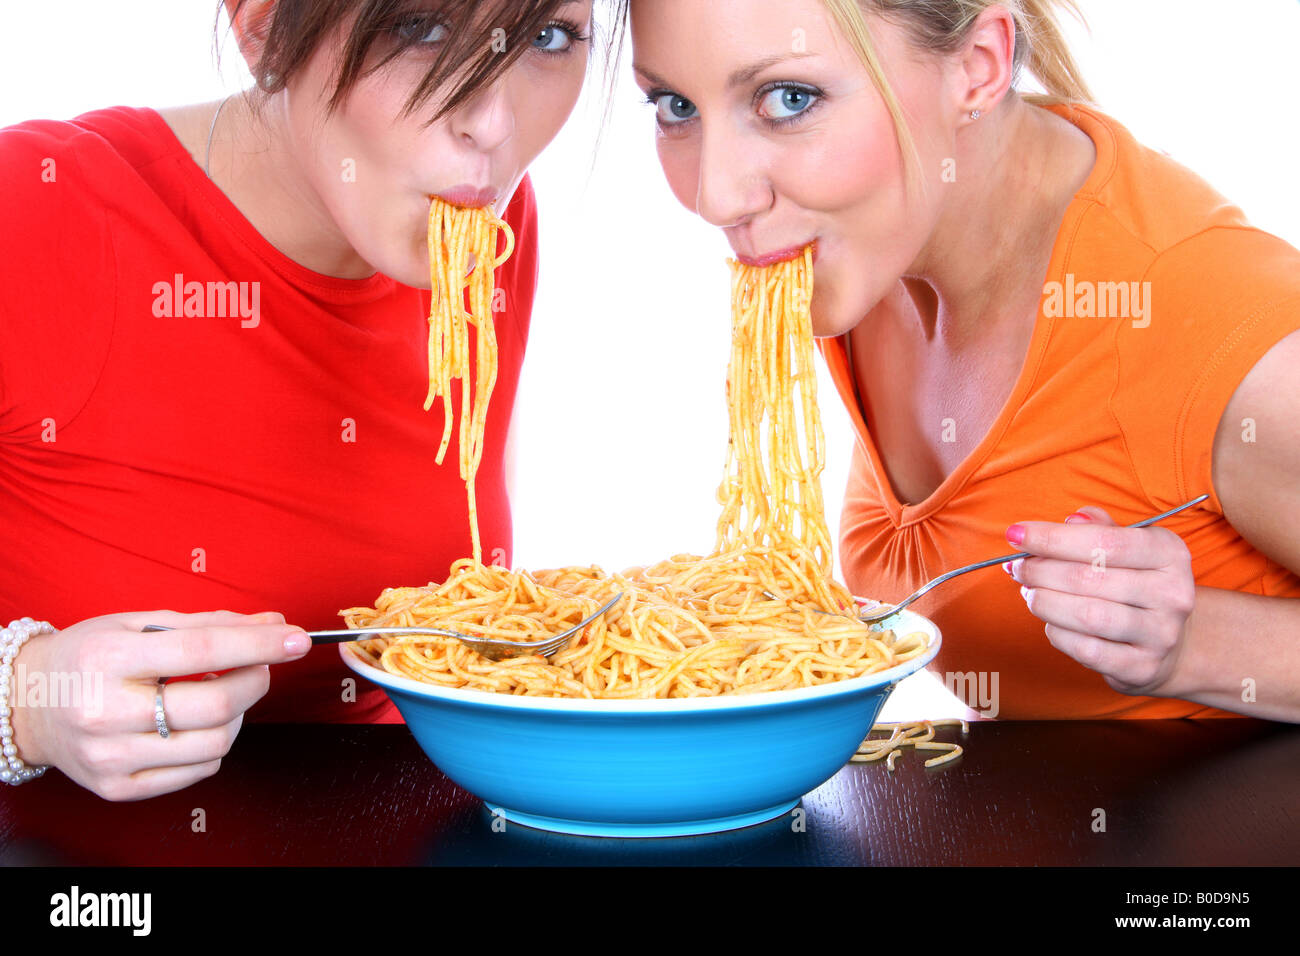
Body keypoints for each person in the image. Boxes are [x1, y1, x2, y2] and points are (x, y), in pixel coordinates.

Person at [627, 0, 1300, 720]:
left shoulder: (1218, 328)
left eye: (790, 100)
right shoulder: (867, 259)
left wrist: (1193, 646)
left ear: (979, 67)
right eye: (675, 105)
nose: (717, 195)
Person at [0, 0, 604, 799]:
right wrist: (26, 702)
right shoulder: (34, 211)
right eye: (418, 28)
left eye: (545, 36)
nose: (494, 123)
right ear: (261, 26)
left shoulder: (482, 225)